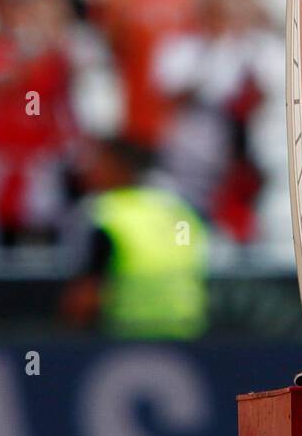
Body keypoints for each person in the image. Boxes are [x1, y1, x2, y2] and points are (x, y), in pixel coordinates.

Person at [60, 137, 209, 339]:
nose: (90, 173)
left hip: (128, 333)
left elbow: (86, 297)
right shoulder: (178, 210)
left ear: (119, 168)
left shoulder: (106, 214)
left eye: (99, 164)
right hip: (188, 330)